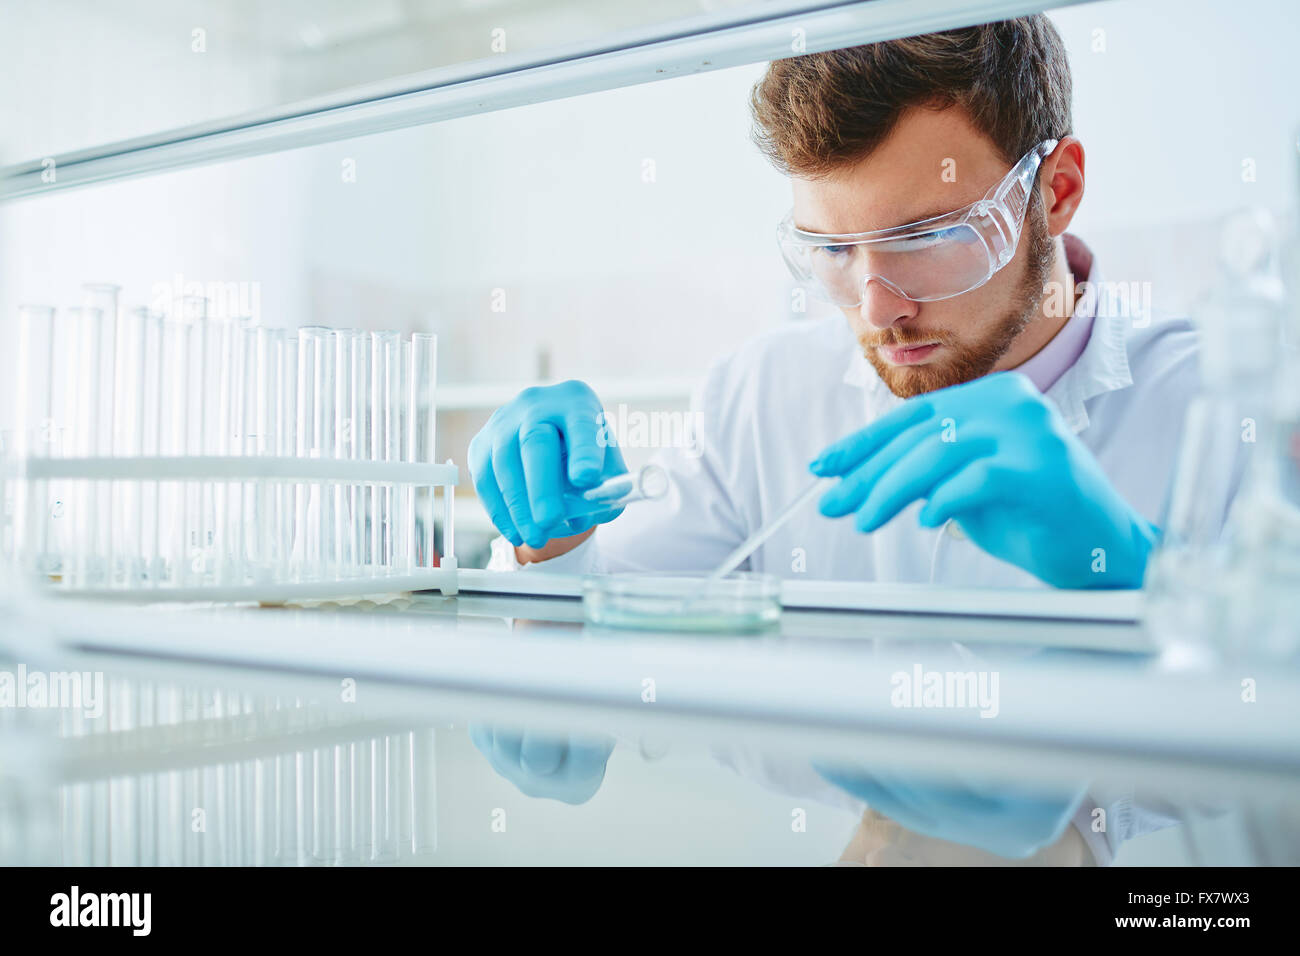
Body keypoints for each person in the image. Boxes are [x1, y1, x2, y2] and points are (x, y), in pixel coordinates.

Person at [469, 16, 1203, 863]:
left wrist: (1143, 584)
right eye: (832, 249)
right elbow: (593, 664)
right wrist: (553, 547)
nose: (878, 306)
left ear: (1057, 190)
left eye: (927, 238)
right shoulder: (764, 395)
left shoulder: (1214, 399)